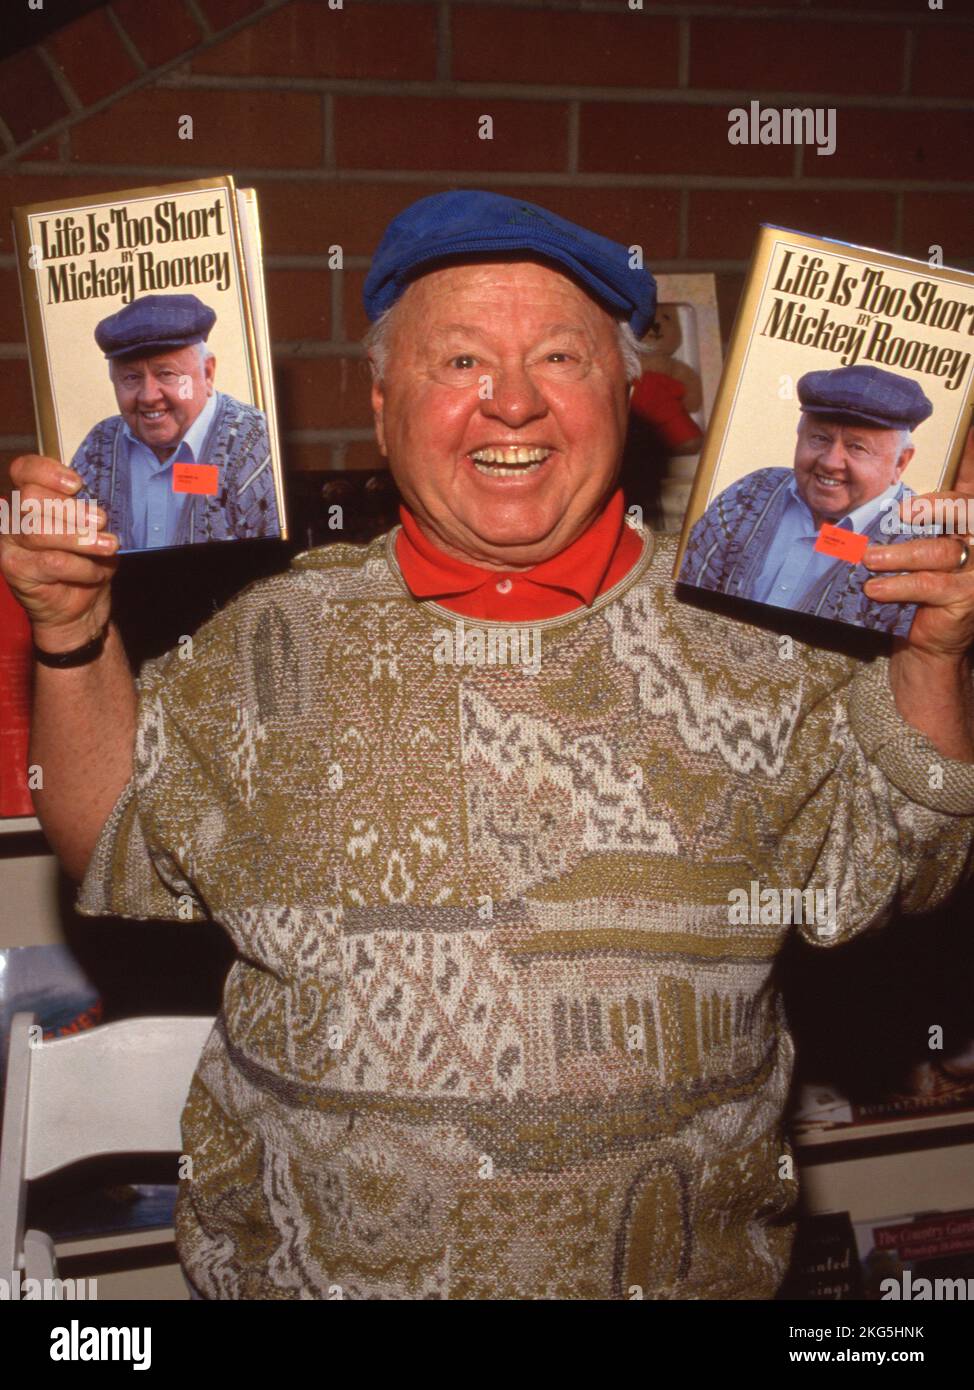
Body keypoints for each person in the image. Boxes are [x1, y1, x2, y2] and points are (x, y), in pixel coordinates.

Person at [5, 189, 974, 1302]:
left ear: (624, 392)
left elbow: (906, 858)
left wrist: (932, 658)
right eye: (458, 361)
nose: (509, 403)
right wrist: (74, 636)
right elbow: (114, 842)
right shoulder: (270, 636)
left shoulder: (763, 641)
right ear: (380, 403)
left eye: (558, 358)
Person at [678, 365, 933, 635]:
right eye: (820, 438)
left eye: (857, 447)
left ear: (901, 463)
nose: (831, 462)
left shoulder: (919, 548)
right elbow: (685, 601)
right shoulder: (750, 493)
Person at [70, 293, 279, 551]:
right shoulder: (99, 446)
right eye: (131, 378)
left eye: (166, 374)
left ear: (208, 373)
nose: (148, 396)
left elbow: (277, 571)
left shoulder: (256, 443)